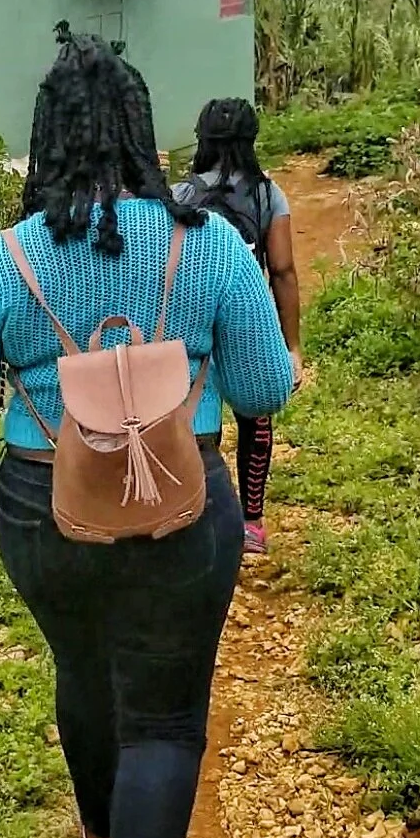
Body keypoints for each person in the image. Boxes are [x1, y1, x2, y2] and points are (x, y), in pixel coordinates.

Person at [0, 33, 292, 838]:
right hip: (179, 504)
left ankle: (102, 827)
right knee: (163, 717)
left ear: (42, 144)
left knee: (80, 662)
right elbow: (261, 387)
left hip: (45, 510)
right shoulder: (209, 244)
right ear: (139, 136)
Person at [173, 98, 302, 557]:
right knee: (256, 418)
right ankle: (252, 523)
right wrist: (291, 348)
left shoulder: (182, 196)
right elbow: (283, 271)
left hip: (194, 330)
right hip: (251, 324)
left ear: (202, 139)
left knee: (191, 418)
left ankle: (191, 506)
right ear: (252, 140)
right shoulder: (268, 195)